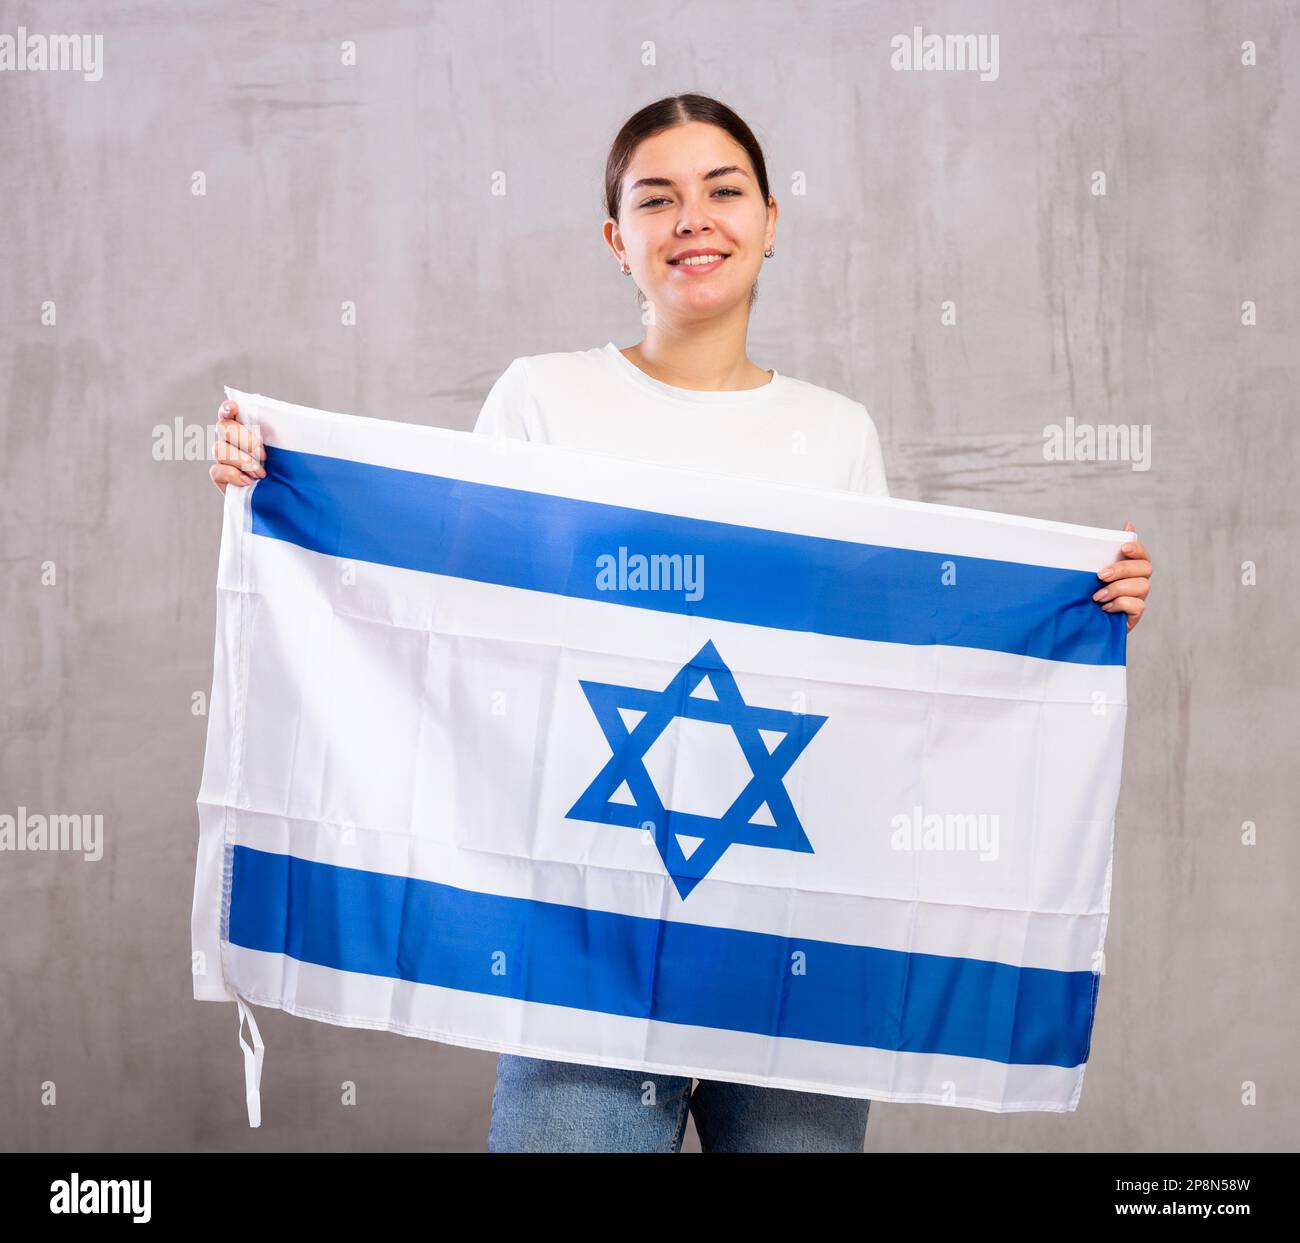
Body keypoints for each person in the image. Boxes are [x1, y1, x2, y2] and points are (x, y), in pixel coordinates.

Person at [208, 93, 1154, 1152]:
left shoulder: (832, 435)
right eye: (656, 199)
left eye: (722, 191)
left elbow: (886, 683)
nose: (692, 218)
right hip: (581, 933)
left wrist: (1071, 604)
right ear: (618, 240)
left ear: (771, 219)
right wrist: (286, 494)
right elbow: (445, 619)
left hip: (790, 934)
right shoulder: (542, 402)